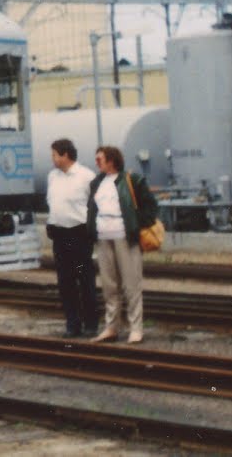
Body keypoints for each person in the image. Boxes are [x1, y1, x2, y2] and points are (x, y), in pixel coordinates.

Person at [86, 145, 158, 344]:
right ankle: (111, 327)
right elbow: (91, 208)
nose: (96, 162)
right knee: (109, 285)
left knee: (131, 284)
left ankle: (136, 328)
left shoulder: (132, 180)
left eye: (100, 159)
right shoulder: (96, 183)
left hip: (124, 237)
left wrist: (135, 224)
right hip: (103, 237)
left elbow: (151, 207)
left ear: (111, 160)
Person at [46, 138, 97, 338]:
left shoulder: (86, 176)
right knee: (65, 282)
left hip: (79, 233)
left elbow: (94, 206)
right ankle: (72, 323)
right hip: (59, 234)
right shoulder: (52, 176)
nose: (52, 159)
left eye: (54, 155)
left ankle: (91, 324)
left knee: (84, 280)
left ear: (65, 155)